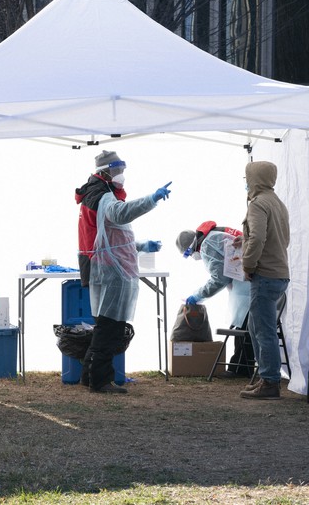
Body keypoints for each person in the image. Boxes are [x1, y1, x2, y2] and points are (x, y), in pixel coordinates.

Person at [78, 150, 171, 393]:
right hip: (109, 268)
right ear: (105, 171)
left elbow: (112, 234)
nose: (121, 175)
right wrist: (152, 199)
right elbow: (119, 215)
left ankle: (89, 377)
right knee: (109, 326)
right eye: (117, 170)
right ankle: (99, 380)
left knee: (104, 325)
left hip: (104, 265)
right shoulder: (102, 195)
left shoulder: (97, 193)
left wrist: (139, 246)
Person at [237, 161, 290, 400]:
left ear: (255, 178)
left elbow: (257, 237)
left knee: (264, 330)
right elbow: (284, 239)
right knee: (255, 326)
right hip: (279, 273)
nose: (246, 182)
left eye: (247, 177)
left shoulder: (258, 204)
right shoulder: (278, 203)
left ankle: (269, 382)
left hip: (265, 274)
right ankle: (265, 377)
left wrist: (248, 264)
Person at [175, 221, 254, 378]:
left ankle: (240, 370)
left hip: (248, 286)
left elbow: (219, 279)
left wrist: (198, 295)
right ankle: (240, 368)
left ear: (191, 247)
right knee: (242, 327)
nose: (192, 257)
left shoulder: (207, 245)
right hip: (249, 282)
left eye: (188, 254)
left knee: (243, 329)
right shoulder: (215, 235)